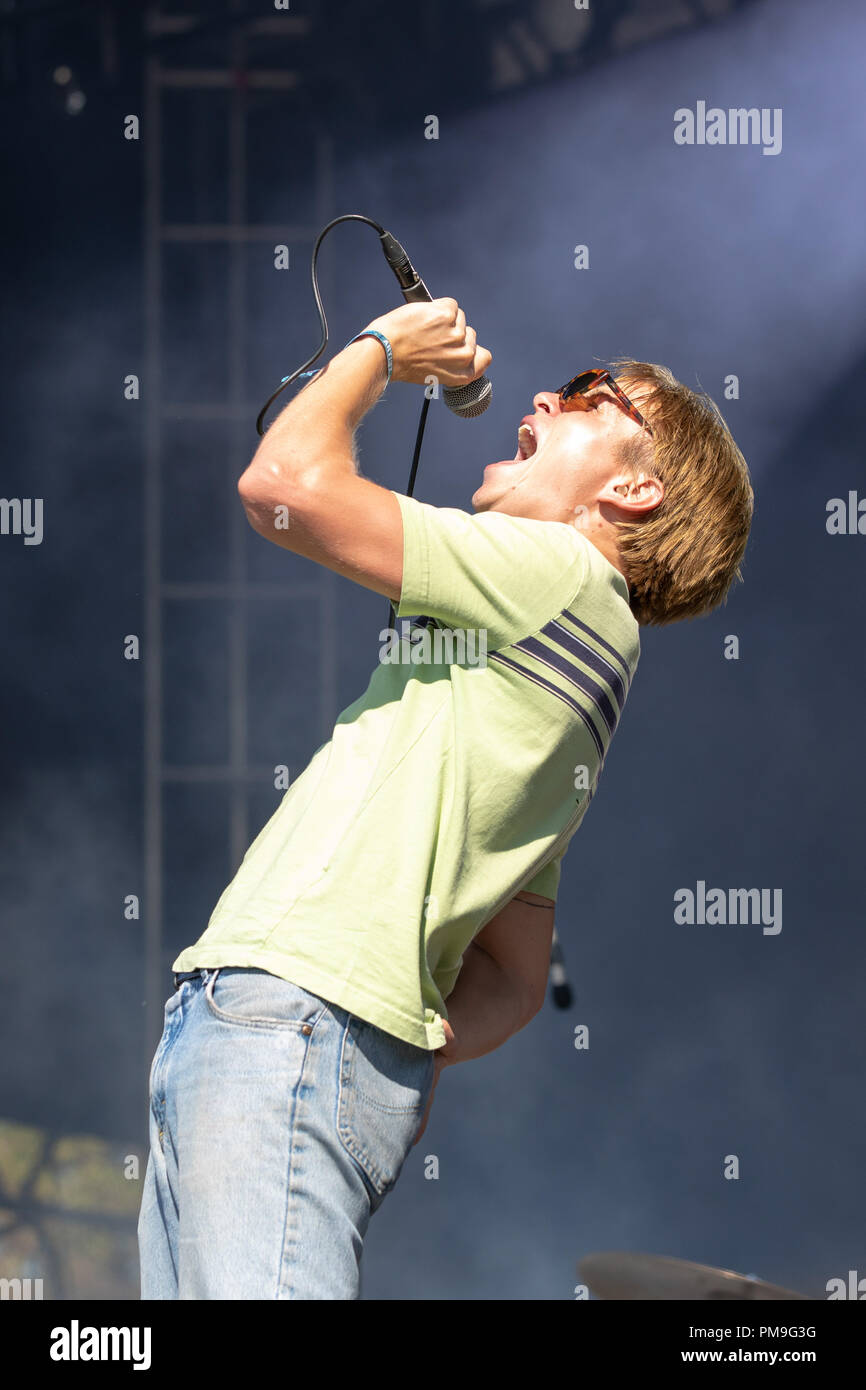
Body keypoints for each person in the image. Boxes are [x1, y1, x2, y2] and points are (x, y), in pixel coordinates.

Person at [138, 298, 753, 1299]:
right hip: (297, 1033)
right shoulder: (579, 664)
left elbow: (281, 486)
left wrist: (383, 349)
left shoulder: (560, 571)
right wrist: (389, 1049)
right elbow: (513, 978)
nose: (550, 393)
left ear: (634, 490)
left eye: (592, 394)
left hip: (291, 1024)